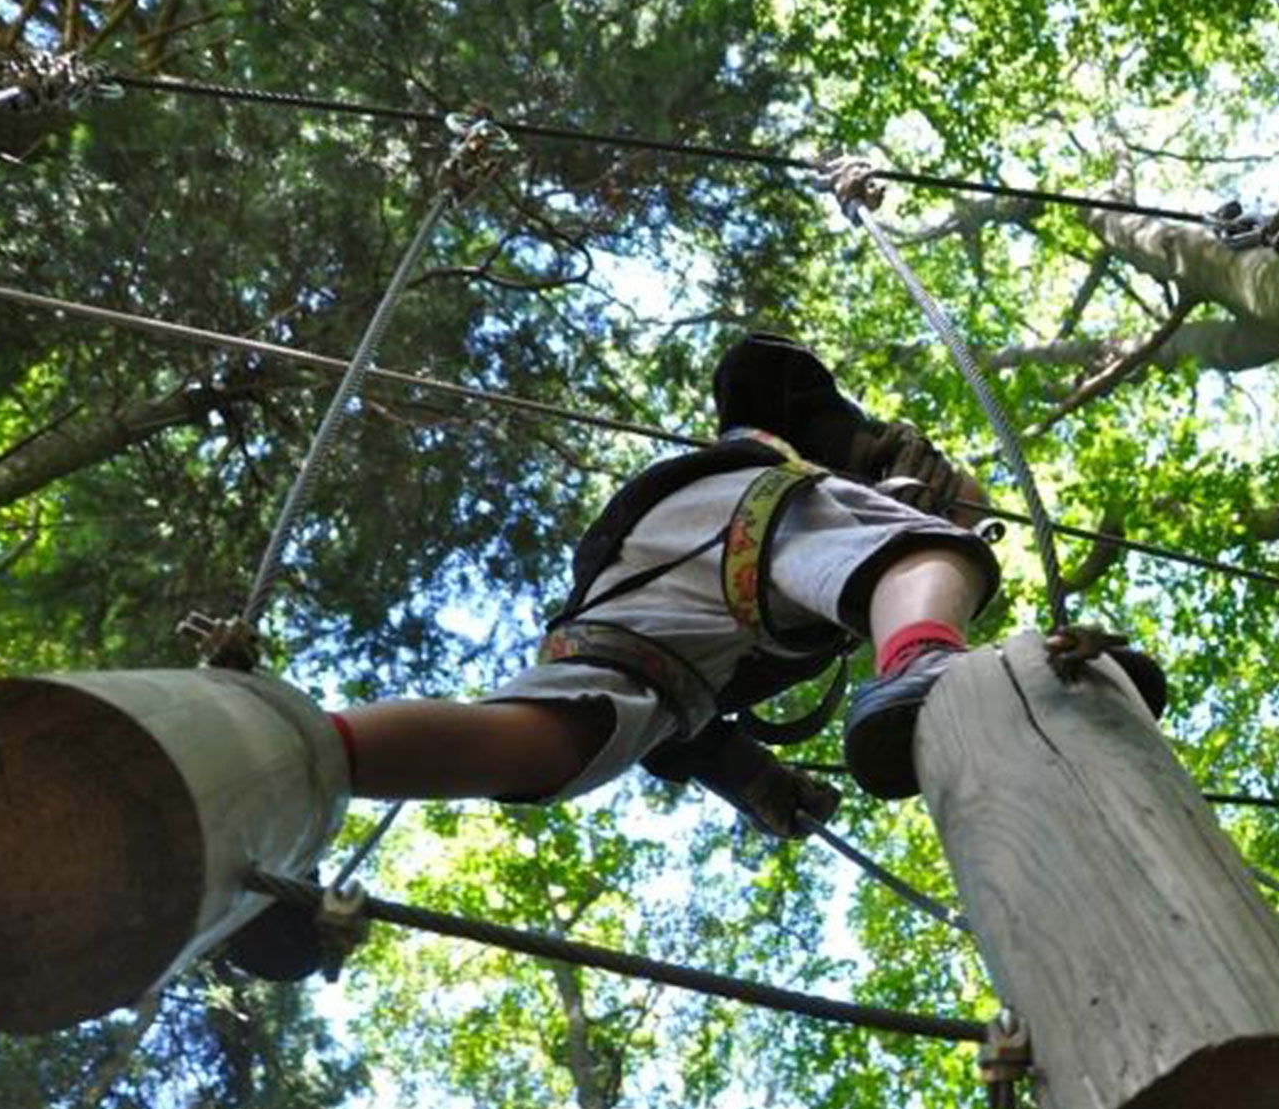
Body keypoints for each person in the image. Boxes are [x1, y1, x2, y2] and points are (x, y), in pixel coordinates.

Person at [336, 331, 1003, 825]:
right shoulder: (821, 448)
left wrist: (747, 774)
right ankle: (923, 658)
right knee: (928, 557)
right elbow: (766, 373)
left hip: (636, 597)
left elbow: (686, 717)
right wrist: (892, 475)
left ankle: (300, 758)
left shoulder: (802, 517)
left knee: (551, 744)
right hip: (738, 517)